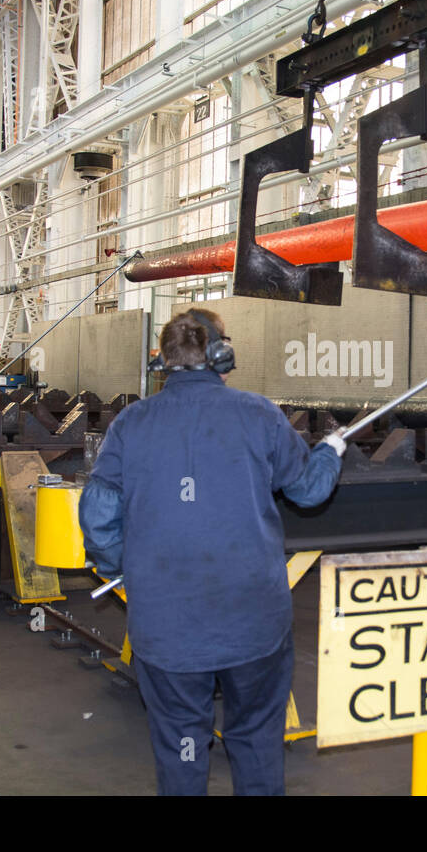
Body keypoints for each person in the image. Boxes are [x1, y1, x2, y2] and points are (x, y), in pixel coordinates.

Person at [79, 308, 345, 796]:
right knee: (256, 740)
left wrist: (124, 569)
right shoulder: (259, 414)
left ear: (161, 361)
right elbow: (308, 492)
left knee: (182, 745)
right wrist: (330, 452)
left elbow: (97, 515)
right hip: (254, 625)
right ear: (222, 356)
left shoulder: (130, 424)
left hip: (166, 628)